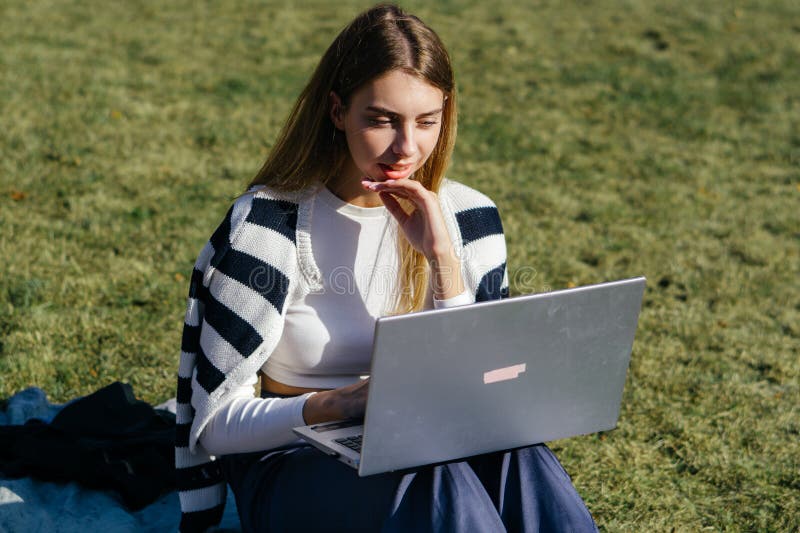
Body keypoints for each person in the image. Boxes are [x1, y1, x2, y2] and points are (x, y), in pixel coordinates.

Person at [175, 4, 598, 532]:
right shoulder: (267, 226)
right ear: (337, 112)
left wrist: (444, 263)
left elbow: (485, 392)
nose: (407, 147)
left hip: (430, 441)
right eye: (381, 120)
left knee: (522, 457)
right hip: (293, 457)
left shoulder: (470, 217)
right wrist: (346, 402)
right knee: (436, 478)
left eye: (427, 122)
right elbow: (214, 426)